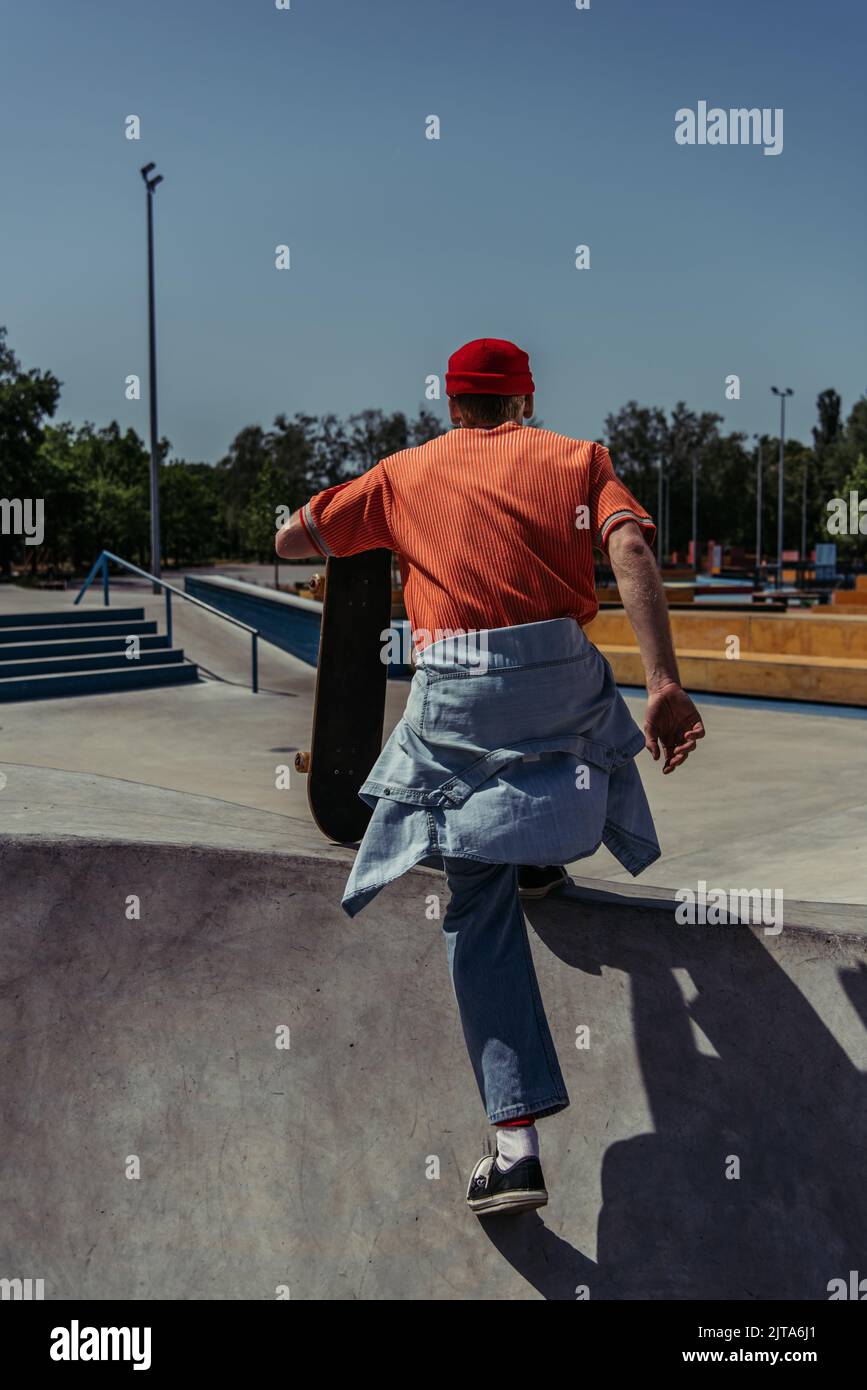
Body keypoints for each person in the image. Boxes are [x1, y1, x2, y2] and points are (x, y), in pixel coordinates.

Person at [276, 338, 705, 1215]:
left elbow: (293, 540)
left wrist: (357, 520)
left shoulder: (403, 474)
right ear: (525, 400)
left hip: (460, 689)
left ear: (448, 403)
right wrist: (662, 684)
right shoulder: (579, 459)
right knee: (588, 727)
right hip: (560, 679)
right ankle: (542, 848)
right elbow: (629, 550)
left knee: (474, 905)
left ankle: (515, 1148)